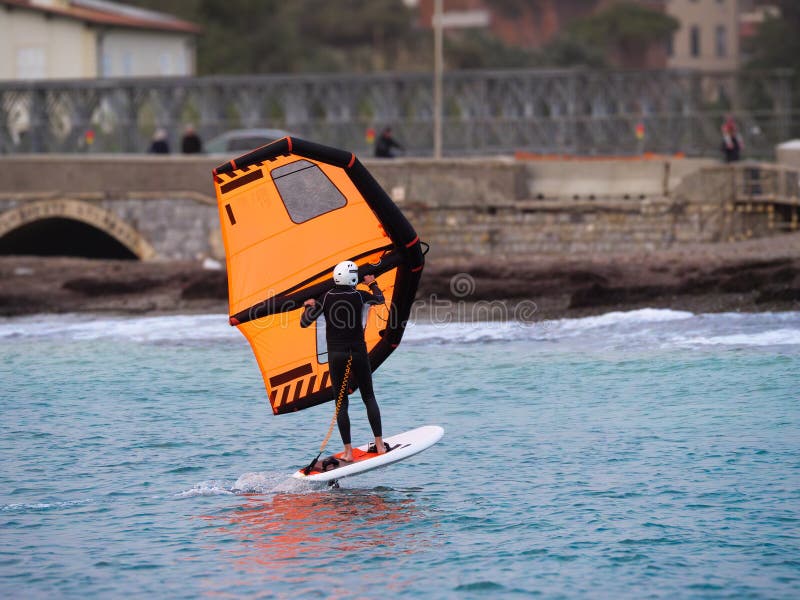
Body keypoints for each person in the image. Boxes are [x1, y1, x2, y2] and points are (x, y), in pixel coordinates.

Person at [301, 261, 387, 461]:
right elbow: (380, 300)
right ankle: (380, 445)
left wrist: (307, 307)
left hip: (337, 355)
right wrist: (372, 283)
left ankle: (348, 452)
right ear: (354, 278)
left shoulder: (326, 297)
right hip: (358, 352)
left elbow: (305, 322)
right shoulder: (360, 295)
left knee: (341, 404)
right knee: (369, 397)